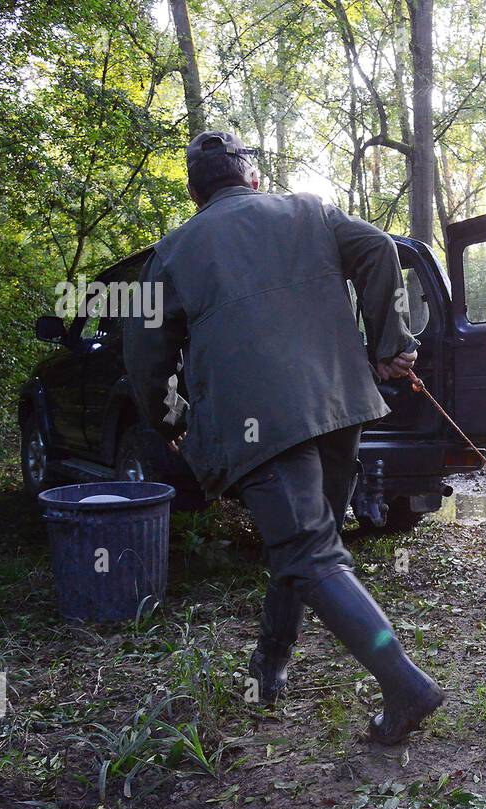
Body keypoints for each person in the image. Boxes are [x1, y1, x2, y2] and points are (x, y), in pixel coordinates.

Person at [124, 130, 442, 744]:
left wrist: (173, 421)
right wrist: (389, 348)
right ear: (252, 177)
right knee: (303, 544)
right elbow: (379, 248)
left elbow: (146, 361)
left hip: (260, 428)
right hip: (337, 406)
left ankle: (406, 686)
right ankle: (269, 667)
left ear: (196, 191)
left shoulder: (171, 254)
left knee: (307, 551)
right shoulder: (310, 210)